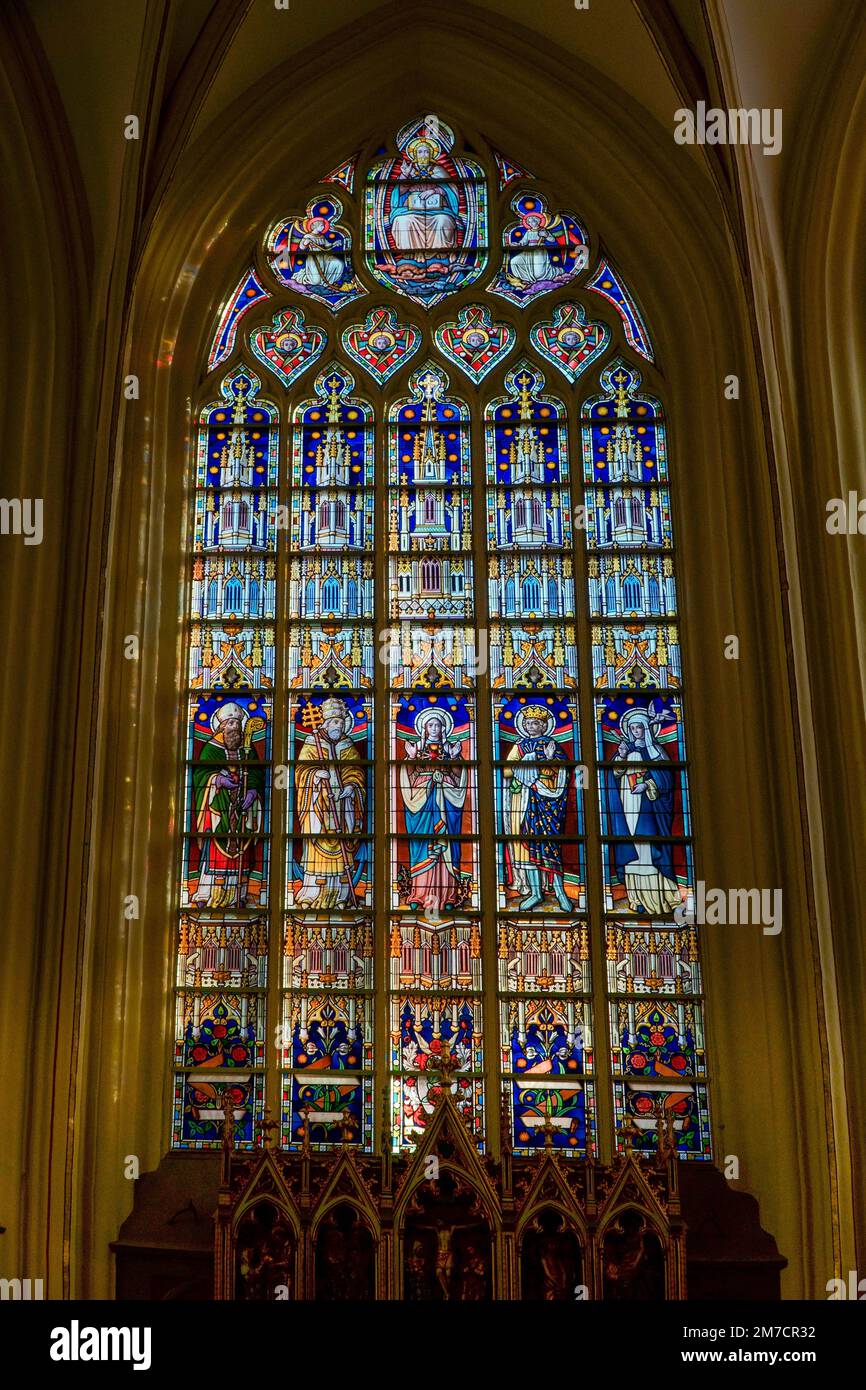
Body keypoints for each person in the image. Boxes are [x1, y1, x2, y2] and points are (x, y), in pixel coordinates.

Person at [504, 705, 572, 911]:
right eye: (527, 723)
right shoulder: (520, 746)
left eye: (535, 723)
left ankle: (560, 893)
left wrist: (550, 760)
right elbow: (506, 770)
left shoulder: (553, 745)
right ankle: (536, 893)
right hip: (525, 799)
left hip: (549, 801)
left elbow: (564, 773)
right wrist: (524, 765)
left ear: (543, 726)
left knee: (551, 845)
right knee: (527, 845)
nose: (531, 726)